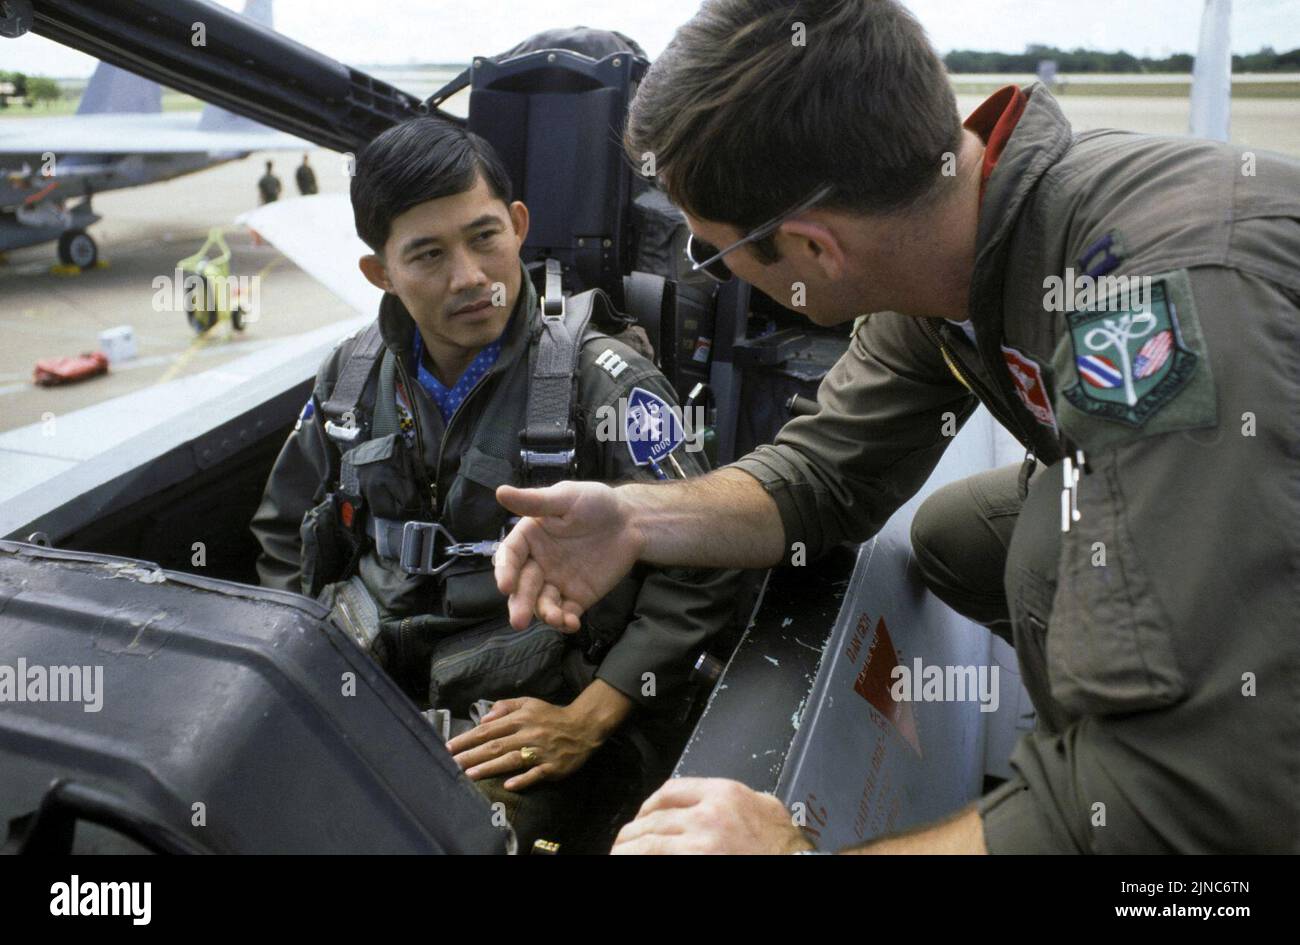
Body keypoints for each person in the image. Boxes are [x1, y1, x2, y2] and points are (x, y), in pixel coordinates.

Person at [492, 0, 1300, 854]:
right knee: (966, 536)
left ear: (812, 249)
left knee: (1115, 683)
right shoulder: (958, 243)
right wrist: (634, 517)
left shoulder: (1151, 310)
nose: (715, 275)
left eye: (713, 252)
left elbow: (1195, 799)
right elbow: (825, 472)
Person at [249, 117, 738, 844]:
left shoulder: (600, 382)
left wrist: (591, 716)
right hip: (367, 683)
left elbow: (706, 558)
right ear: (380, 272)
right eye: (427, 254)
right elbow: (283, 533)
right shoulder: (349, 380)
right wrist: (300, 678)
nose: (470, 277)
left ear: (518, 225)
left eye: (484, 237)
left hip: (537, 709)